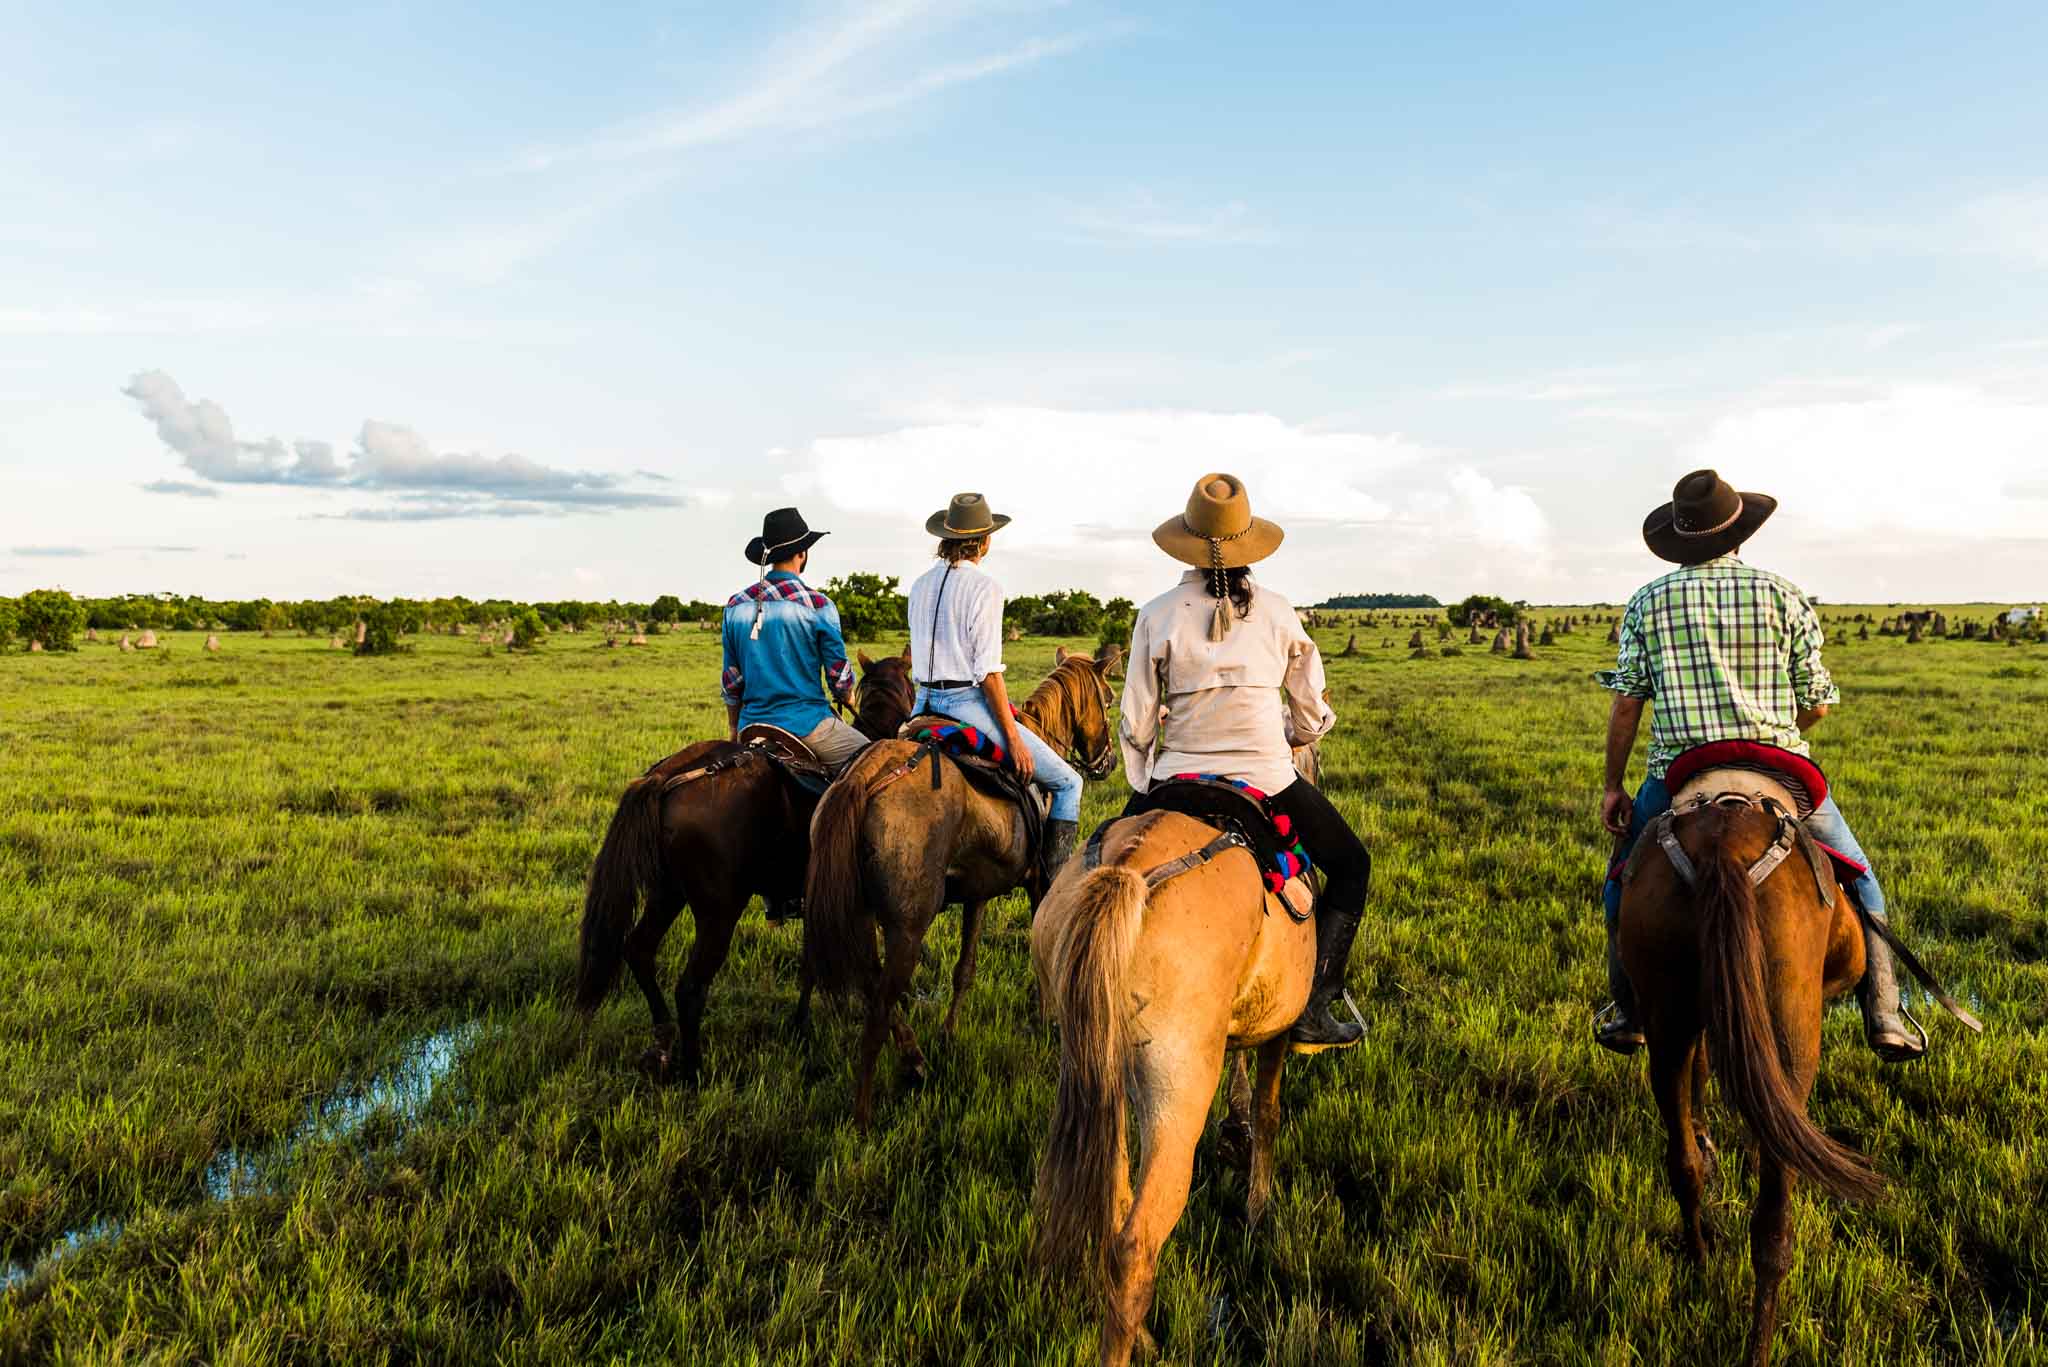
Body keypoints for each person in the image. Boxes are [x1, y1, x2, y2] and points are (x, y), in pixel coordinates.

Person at [1595, 469, 1920, 1062]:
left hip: (1682, 772)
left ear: (1680, 538)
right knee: (1861, 875)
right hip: (1778, 770)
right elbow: (1817, 701)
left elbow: (1627, 704)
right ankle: (1885, 1009)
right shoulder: (1783, 593)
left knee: (1620, 886)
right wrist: (1785, 726)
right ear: (1739, 534)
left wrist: (1615, 785)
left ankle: (1628, 1010)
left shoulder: (1648, 600)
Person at [1117, 473, 1369, 1051]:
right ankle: (1316, 1006)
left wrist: (1147, 781)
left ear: (1186, 538)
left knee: (1099, 858)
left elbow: (1136, 720)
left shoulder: (1156, 614)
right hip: (1268, 778)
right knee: (1352, 866)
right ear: (1249, 542)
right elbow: (1309, 706)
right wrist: (1300, 734)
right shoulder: (1279, 612)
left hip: (1175, 776)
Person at [906, 492, 1084, 882]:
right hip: (965, 703)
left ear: (946, 537)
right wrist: (1013, 740)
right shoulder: (985, 587)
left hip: (920, 705)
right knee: (1070, 783)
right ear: (985, 541)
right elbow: (988, 674)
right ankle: (1052, 882)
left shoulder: (919, 586)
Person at [720, 506, 868, 770]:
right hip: (807, 724)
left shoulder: (735, 605)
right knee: (873, 764)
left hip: (752, 726)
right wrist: (848, 697)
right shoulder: (819, 605)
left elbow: (732, 681)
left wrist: (734, 728)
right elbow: (839, 676)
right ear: (803, 553)